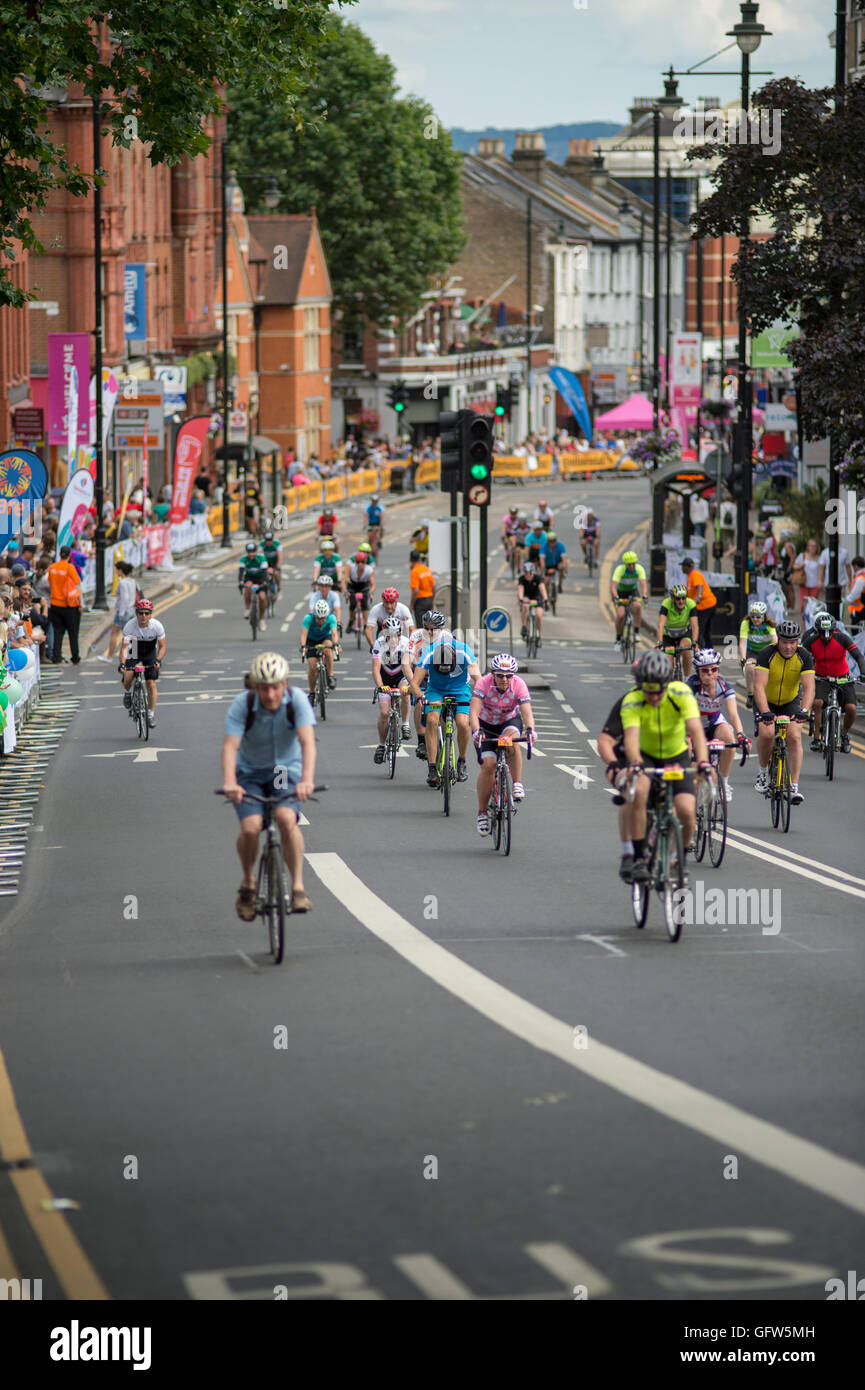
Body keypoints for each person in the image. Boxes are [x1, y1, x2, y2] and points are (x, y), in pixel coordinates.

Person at [221, 651, 315, 919]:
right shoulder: (243, 704)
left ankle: (297, 887)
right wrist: (230, 782)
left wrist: (307, 781)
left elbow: (307, 742)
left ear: (284, 684)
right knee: (251, 827)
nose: (271, 695)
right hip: (249, 773)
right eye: (264, 688)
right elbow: (230, 747)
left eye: (275, 687)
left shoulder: (296, 701)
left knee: (286, 818)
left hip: (283, 770)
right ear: (255, 686)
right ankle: (249, 882)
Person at [619, 649, 710, 883]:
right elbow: (630, 738)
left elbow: (697, 731)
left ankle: (678, 858)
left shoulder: (681, 693)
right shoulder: (633, 700)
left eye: (658, 690)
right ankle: (639, 857)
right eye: (648, 690)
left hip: (676, 755)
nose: (654, 697)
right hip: (646, 755)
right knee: (638, 792)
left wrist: (702, 762)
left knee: (687, 812)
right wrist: (636, 763)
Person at [470, 653, 536, 834]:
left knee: (510, 740)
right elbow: (474, 712)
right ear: (493, 674)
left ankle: (516, 783)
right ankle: (482, 813)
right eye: (500, 675)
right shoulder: (483, 683)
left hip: (508, 722)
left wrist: (530, 730)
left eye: (509, 675)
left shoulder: (519, 684)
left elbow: (526, 712)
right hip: (485, 725)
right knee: (488, 766)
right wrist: (476, 732)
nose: (505, 679)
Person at [752, 620, 815, 805]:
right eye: (785, 642)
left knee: (794, 736)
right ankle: (763, 773)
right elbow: (758, 686)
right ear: (778, 640)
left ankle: (793, 786)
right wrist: (764, 711)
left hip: (790, 701)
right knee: (767, 733)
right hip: (767, 701)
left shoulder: (804, 656)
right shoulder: (766, 654)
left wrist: (804, 710)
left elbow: (809, 687)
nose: (789, 647)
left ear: (798, 642)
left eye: (793, 642)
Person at [411, 629, 481, 788]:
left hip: (460, 690)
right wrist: (421, 698)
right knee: (432, 719)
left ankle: (462, 761)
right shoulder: (429, 652)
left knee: (463, 723)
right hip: (436, 690)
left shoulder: (465, 651)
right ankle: (432, 767)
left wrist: (479, 700)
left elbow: (479, 681)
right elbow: (414, 684)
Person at [686, 648, 749, 800]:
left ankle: (724, 783)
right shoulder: (690, 686)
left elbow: (733, 715)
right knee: (687, 752)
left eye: (714, 669)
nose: (710, 673)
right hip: (693, 726)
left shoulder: (725, 687)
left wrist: (741, 735)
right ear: (698, 672)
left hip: (714, 722)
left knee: (729, 736)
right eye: (705, 670)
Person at [802, 612, 865, 754]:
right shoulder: (811, 641)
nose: (826, 636)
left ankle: (844, 735)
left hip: (842, 677)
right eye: (822, 632)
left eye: (829, 632)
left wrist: (863, 672)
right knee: (817, 703)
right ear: (817, 631)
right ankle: (817, 738)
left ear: (834, 630)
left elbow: (858, 656)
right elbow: (799, 656)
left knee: (851, 708)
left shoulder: (842, 638)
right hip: (821, 678)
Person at [371, 615, 414, 761]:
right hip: (385, 679)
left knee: (406, 693)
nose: (394, 639)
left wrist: (410, 685)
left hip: (400, 676)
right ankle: (381, 745)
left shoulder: (407, 643)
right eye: (391, 636)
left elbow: (408, 667)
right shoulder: (379, 643)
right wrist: (381, 686)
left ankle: (406, 724)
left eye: (397, 635)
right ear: (386, 634)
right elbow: (376, 669)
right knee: (384, 713)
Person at [120, 598, 166, 728]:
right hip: (134, 648)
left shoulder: (157, 626)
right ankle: (128, 693)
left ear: (151, 614)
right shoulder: (130, 626)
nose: (143, 616)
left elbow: (162, 646)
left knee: (151, 683)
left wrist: (158, 660)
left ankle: (150, 714)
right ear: (136, 614)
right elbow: (124, 648)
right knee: (128, 675)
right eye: (140, 613)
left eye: (146, 613)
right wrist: (123, 664)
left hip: (150, 651)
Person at [408, 609, 446, 758]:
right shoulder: (416, 635)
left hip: (439, 674)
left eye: (434, 629)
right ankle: (422, 740)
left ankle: (443, 740)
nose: (429, 632)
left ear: (441, 629)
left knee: (444, 708)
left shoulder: (447, 638)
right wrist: (413, 683)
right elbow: (406, 663)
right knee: (419, 702)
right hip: (420, 671)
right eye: (427, 628)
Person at [96, 560, 137, 662]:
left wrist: (121, 614)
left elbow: (124, 598)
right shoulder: (132, 581)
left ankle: (109, 656)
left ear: (121, 571)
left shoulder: (122, 583)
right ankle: (132, 656)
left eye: (116, 570)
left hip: (123, 611)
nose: (115, 572)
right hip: (132, 610)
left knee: (114, 633)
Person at [47, 545, 82, 664]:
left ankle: (56, 658)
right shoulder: (69, 567)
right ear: (69, 555)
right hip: (70, 605)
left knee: (58, 632)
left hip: (55, 604)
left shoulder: (52, 567)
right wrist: (81, 604)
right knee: (73, 632)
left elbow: (50, 585)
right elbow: (77, 586)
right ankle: (75, 657)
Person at [738, 601, 777, 708]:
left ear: (764, 616)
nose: (755, 619)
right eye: (753, 616)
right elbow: (742, 642)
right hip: (753, 652)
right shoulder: (746, 623)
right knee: (750, 668)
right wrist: (742, 658)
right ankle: (750, 695)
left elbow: (775, 643)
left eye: (758, 617)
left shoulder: (770, 625)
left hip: (767, 652)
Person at [657, 585, 699, 679]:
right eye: (678, 598)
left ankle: (687, 678)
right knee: (669, 660)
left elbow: (695, 626)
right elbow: (660, 625)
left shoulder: (691, 604)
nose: (681, 601)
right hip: (668, 635)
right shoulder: (666, 603)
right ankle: (669, 681)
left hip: (684, 633)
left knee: (686, 649)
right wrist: (659, 643)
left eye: (683, 598)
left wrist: (694, 642)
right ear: (672, 598)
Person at [300, 598, 339, 695]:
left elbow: (334, 633)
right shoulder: (308, 618)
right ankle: (312, 693)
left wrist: (336, 644)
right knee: (312, 669)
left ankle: (330, 676)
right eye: (318, 618)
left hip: (325, 638)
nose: (320, 621)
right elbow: (304, 635)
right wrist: (303, 646)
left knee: (328, 649)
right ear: (314, 615)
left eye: (323, 618)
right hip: (311, 640)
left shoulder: (331, 618)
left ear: (327, 615)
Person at [611, 551, 647, 647]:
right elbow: (614, 586)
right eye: (629, 564)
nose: (631, 566)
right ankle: (618, 638)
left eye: (633, 564)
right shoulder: (620, 570)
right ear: (625, 564)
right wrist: (616, 597)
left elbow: (643, 584)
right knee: (621, 615)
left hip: (632, 591)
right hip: (620, 593)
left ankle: (636, 632)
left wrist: (644, 596)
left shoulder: (639, 569)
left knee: (638, 606)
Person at [681, 556, 716, 648]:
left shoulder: (695, 574)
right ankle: (709, 650)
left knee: (698, 630)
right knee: (705, 631)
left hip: (705, 605)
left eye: (683, 566)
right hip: (704, 606)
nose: (682, 568)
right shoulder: (690, 576)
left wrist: (698, 597)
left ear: (688, 566)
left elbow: (700, 586)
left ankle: (703, 651)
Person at [238, 541, 270, 629]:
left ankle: (262, 620)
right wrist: (241, 582)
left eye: (253, 552)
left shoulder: (262, 558)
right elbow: (241, 573)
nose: (251, 554)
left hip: (260, 579)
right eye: (249, 552)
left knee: (262, 597)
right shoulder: (243, 559)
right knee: (247, 586)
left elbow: (265, 572)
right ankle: (248, 609)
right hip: (250, 578)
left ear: (256, 551)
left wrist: (265, 582)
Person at [516, 560, 547, 640]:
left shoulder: (537, 578)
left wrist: (546, 599)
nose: (528, 575)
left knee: (539, 615)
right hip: (526, 596)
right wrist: (520, 599)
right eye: (526, 573)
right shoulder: (522, 579)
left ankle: (539, 634)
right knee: (525, 606)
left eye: (530, 573)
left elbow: (542, 589)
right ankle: (524, 626)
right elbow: (520, 590)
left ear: (533, 572)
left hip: (536, 597)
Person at [344, 552, 375, 631]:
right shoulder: (350, 567)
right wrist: (345, 592)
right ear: (355, 562)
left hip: (363, 586)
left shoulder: (369, 570)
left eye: (362, 562)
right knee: (353, 603)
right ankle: (351, 621)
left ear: (365, 562)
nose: (360, 564)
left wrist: (371, 592)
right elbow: (344, 581)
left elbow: (373, 584)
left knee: (364, 603)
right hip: (352, 585)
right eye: (358, 562)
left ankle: (365, 624)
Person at [791, 539, 821, 613]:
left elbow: (821, 571)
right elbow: (794, 566)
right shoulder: (803, 556)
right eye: (811, 546)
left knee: (813, 607)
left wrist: (821, 581)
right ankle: (804, 624)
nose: (813, 548)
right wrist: (800, 566)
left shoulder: (819, 558)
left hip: (815, 585)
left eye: (815, 546)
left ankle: (811, 624)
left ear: (817, 548)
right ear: (808, 547)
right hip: (803, 584)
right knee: (803, 606)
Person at [409, 550, 436, 626]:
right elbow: (434, 586)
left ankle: (423, 638)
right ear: (420, 559)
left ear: (410, 560)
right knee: (429, 624)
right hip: (429, 599)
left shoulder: (414, 572)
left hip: (420, 602)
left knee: (421, 626)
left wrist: (411, 605)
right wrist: (432, 600)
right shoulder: (426, 569)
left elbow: (415, 591)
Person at [259, 524, 283, 595]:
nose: (268, 542)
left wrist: (278, 567)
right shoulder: (262, 544)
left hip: (275, 562)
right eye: (267, 540)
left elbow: (280, 556)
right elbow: (260, 555)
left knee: (276, 574)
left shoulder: (277, 543)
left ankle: (278, 586)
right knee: (264, 575)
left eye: (270, 540)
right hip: (266, 562)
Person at [845, 555, 865, 628]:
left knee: (857, 632)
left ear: (856, 566)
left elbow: (855, 595)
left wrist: (845, 600)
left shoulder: (860, 578)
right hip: (861, 609)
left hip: (859, 610)